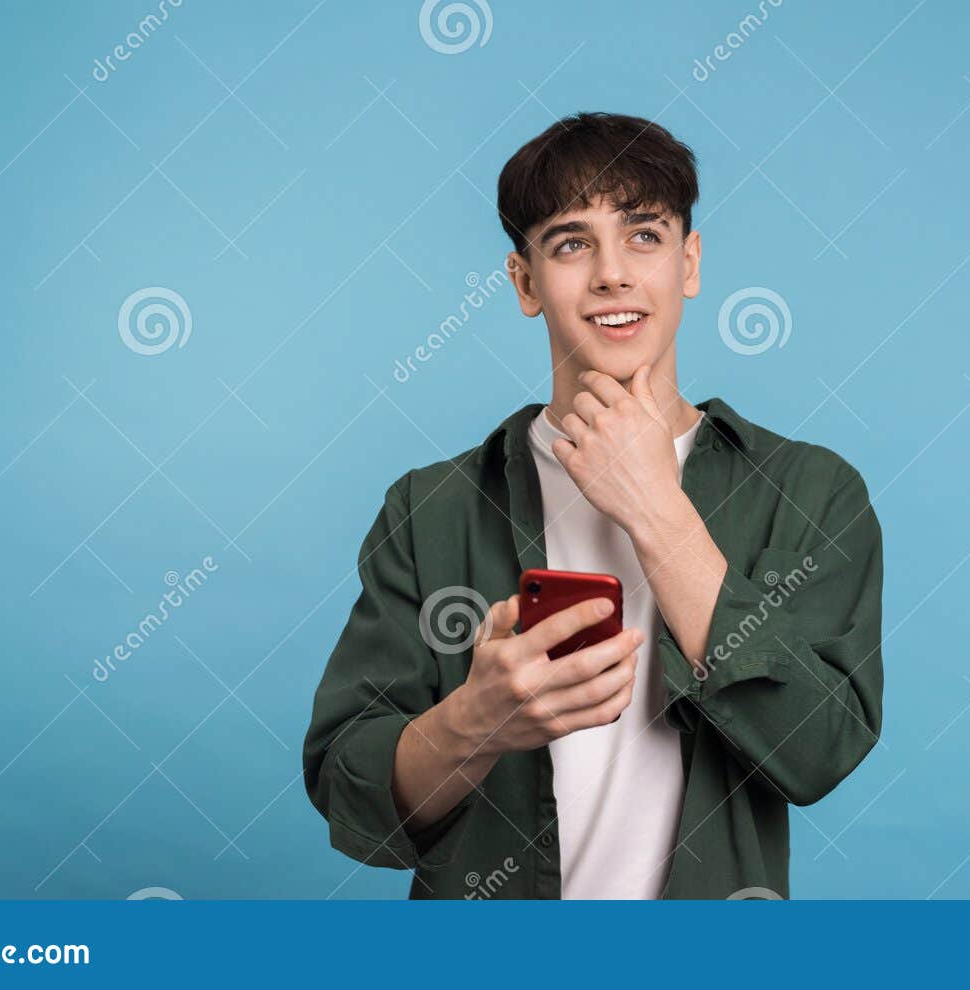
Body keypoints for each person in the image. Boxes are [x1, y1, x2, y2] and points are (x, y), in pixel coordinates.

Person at [302, 112, 884, 899]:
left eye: (644, 235)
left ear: (690, 262)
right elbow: (349, 793)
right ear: (525, 283)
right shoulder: (429, 509)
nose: (612, 274)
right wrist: (477, 720)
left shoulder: (812, 492)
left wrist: (656, 512)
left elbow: (820, 752)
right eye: (572, 243)